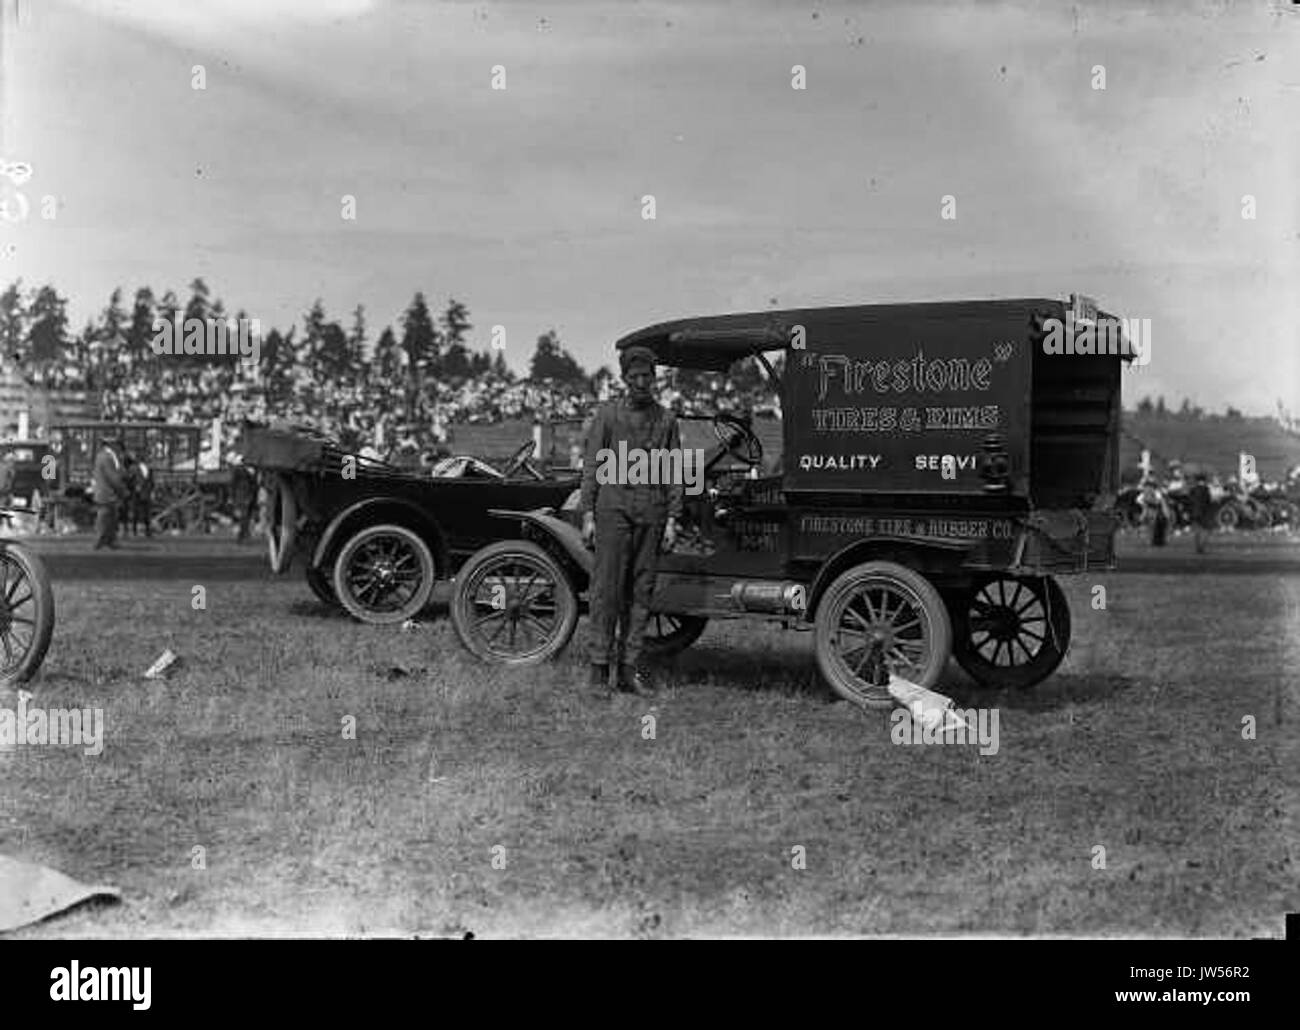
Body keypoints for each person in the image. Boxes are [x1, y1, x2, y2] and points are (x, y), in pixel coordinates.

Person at [579, 344, 683, 698]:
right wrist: (588, 514)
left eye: (647, 377)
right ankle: (598, 671)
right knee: (606, 590)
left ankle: (628, 670)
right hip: (613, 510)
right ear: (624, 379)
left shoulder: (667, 420)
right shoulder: (608, 416)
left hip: (652, 513)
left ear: (654, 380)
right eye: (635, 376)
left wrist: (672, 518)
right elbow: (593, 465)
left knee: (641, 593)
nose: (641, 382)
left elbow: (673, 471)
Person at [92, 434, 128, 550]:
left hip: (105, 492)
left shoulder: (104, 456)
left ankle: (109, 540)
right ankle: (101, 540)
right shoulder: (107, 457)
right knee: (105, 516)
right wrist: (122, 489)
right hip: (107, 492)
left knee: (111, 517)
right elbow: (112, 477)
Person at [1189, 471, 1213, 554]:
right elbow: (1208, 501)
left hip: (1194, 512)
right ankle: (1202, 546)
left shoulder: (1193, 489)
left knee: (1197, 530)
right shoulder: (1206, 489)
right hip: (1204, 512)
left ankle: (1198, 547)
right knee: (1208, 530)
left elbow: (1190, 501)